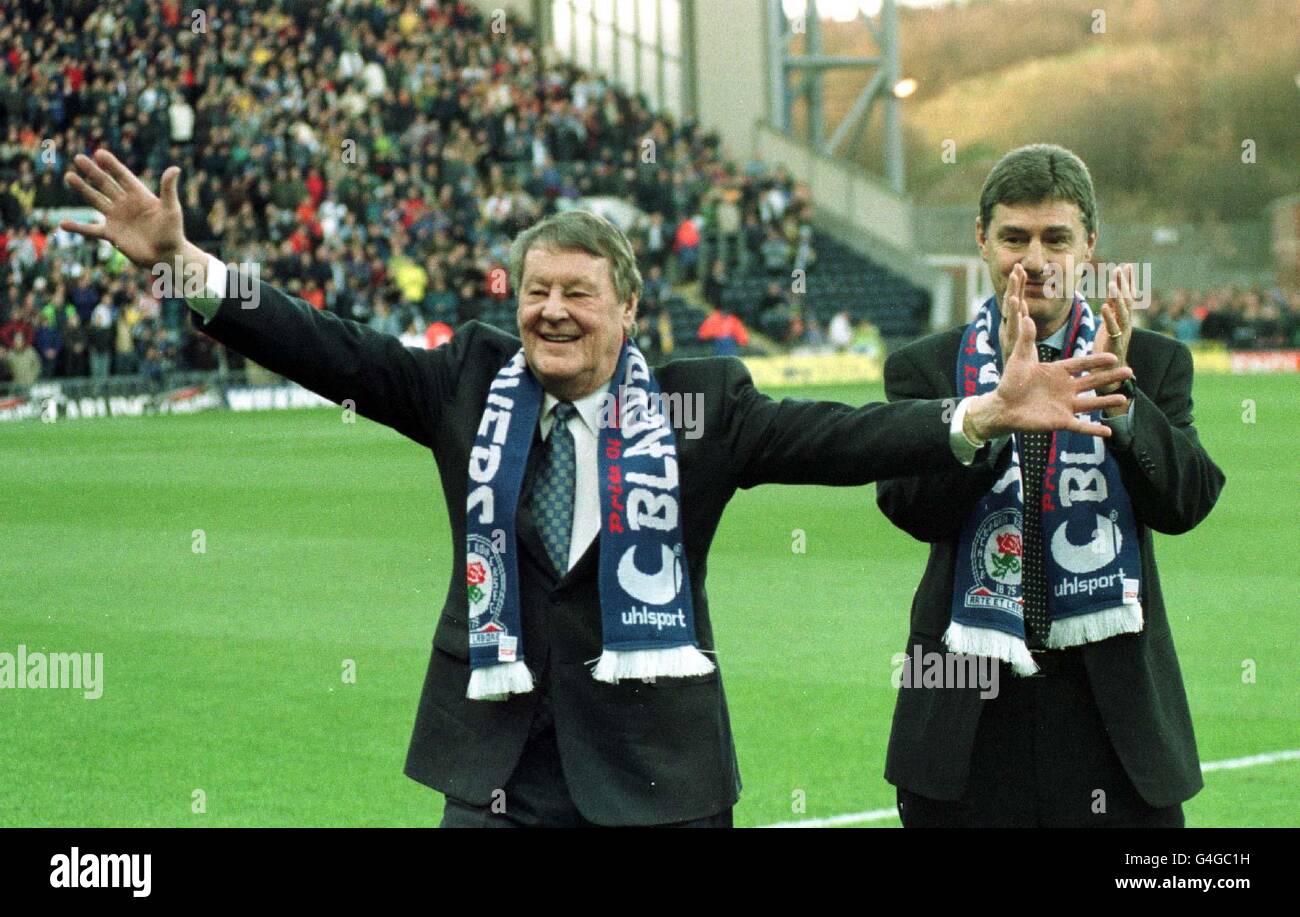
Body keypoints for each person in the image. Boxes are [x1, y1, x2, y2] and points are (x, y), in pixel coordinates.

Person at [61, 148, 1130, 828]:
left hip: (655, 776)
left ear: (627, 306)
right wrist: (188, 263)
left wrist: (975, 416)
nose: (552, 312)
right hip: (493, 770)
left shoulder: (697, 403)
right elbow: (330, 349)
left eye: (577, 292)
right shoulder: (465, 379)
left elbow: (836, 436)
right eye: (536, 293)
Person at [876, 144, 1225, 827]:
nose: (1034, 259)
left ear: (1088, 245)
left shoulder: (1151, 363)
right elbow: (910, 506)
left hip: (1114, 718)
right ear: (982, 240)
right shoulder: (925, 367)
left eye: (1055, 238)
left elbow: (1188, 502)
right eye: (1014, 237)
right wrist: (992, 415)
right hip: (967, 710)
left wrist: (1120, 404)